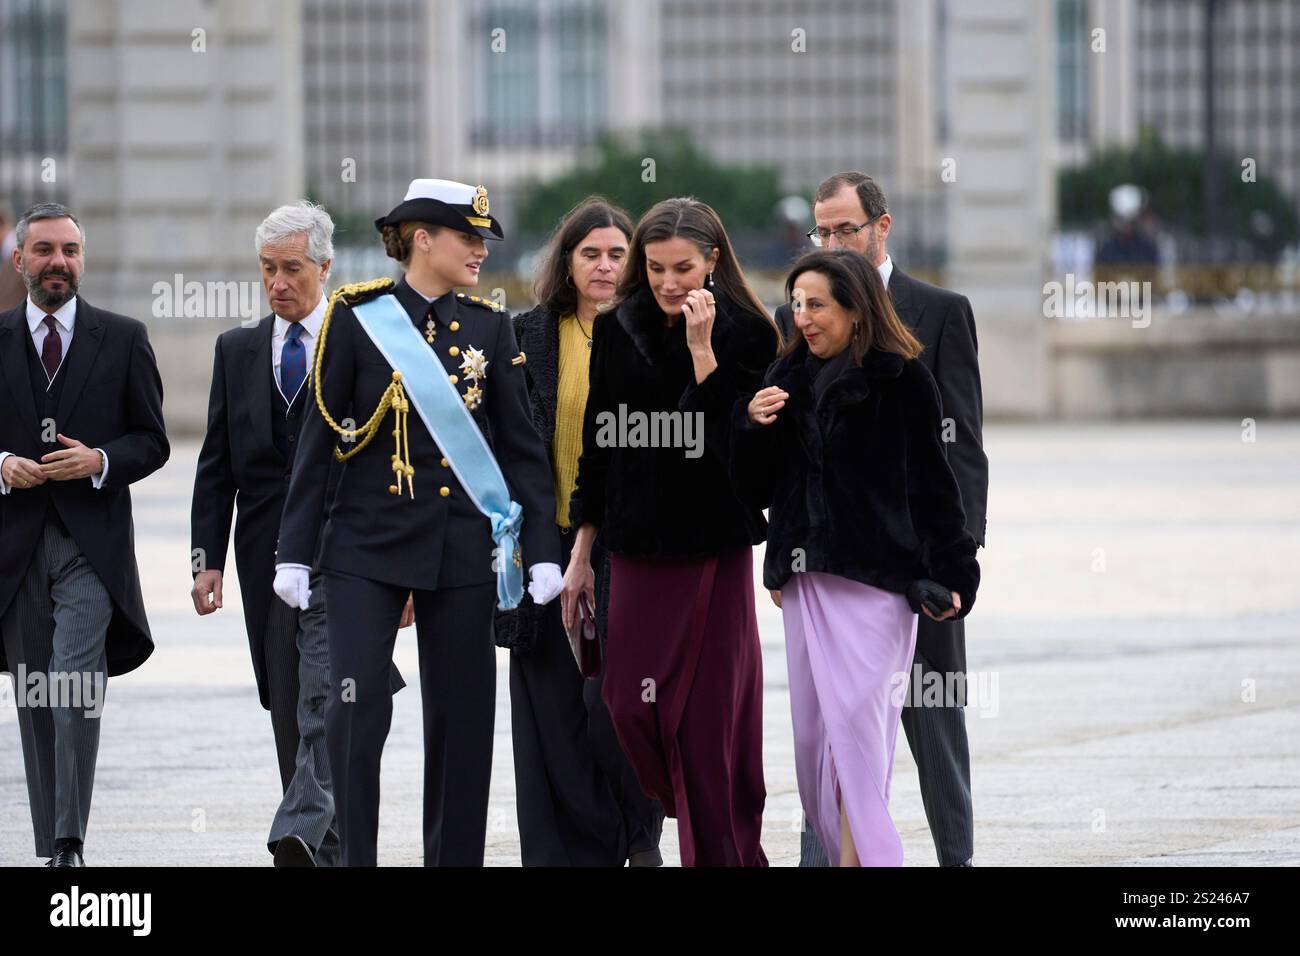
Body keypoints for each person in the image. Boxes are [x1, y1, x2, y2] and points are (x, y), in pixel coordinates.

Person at [274, 179, 562, 866]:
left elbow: (520, 448)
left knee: (462, 722)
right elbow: (320, 440)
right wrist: (293, 551)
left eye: (484, 241)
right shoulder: (357, 316)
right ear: (422, 238)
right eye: (468, 238)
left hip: (463, 553)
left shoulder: (492, 326)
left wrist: (542, 549)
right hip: (362, 550)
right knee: (356, 707)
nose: (480, 252)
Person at [737, 248, 980, 866]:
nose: (803, 318)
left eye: (816, 305)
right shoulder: (783, 377)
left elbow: (934, 485)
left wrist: (953, 573)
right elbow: (755, 490)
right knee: (816, 741)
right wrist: (753, 426)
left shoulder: (902, 377)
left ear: (854, 307)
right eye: (796, 305)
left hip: (875, 590)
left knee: (856, 738)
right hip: (804, 587)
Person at [189, 201, 407, 867]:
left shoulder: (366, 341)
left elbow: (393, 459)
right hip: (265, 561)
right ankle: (320, 843)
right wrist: (207, 561)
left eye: (291, 269)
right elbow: (216, 466)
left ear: (324, 266)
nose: (278, 282)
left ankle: (301, 830)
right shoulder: (237, 350)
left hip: (346, 553)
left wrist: (401, 571)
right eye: (266, 270)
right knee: (289, 703)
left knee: (325, 695)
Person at [565, 197, 777, 867]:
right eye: (654, 268)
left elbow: (739, 448)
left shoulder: (750, 332)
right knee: (627, 706)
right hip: (634, 549)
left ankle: (720, 846)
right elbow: (598, 447)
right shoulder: (617, 326)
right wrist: (580, 552)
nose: (667, 282)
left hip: (713, 545)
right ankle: (698, 809)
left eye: (683, 267)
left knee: (707, 728)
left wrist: (701, 352)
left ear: (714, 261)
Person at [0, 202, 169, 866]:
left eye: (70, 250)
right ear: (20, 262)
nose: (58, 263)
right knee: (36, 695)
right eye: (44, 250)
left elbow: (153, 442)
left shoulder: (123, 338)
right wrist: (3, 467)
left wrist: (100, 459)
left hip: (90, 551)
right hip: (14, 552)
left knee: (74, 685)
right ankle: (54, 839)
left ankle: (70, 841)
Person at [506, 197, 665, 866]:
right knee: (554, 717)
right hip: (546, 546)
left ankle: (640, 841)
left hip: (634, 549)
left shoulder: (657, 333)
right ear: (566, 263)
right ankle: (576, 848)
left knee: (620, 707)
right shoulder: (528, 336)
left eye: (616, 254)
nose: (603, 266)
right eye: (589, 254)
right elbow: (511, 450)